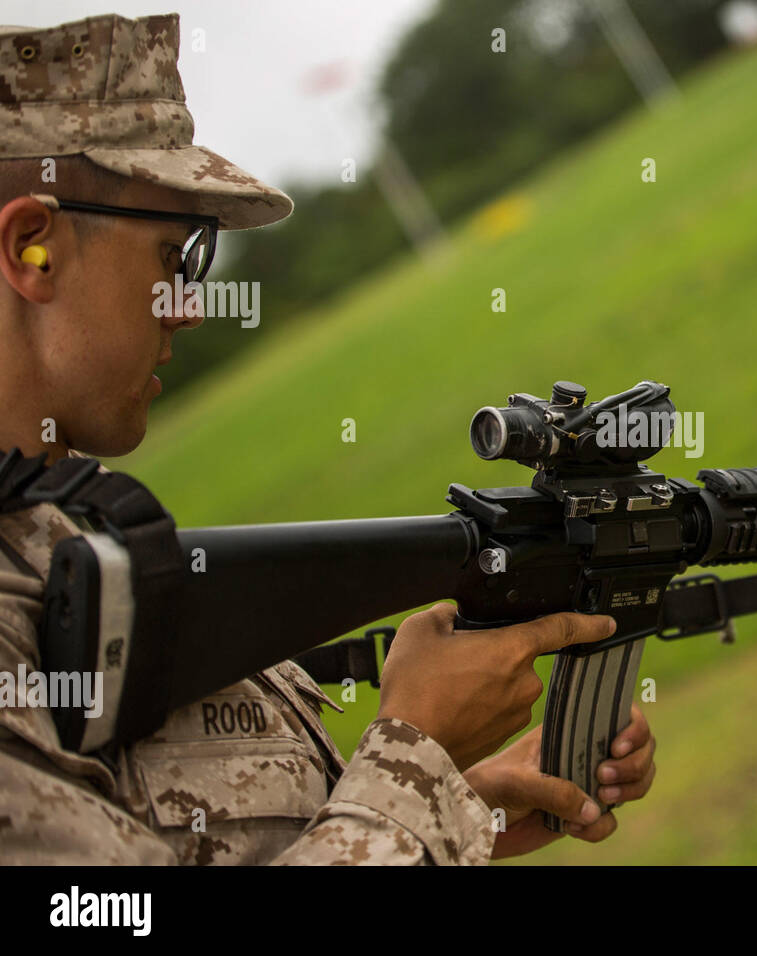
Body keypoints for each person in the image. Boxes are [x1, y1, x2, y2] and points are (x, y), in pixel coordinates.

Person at [0, 12, 655, 865]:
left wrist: (459, 809)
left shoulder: (60, 524)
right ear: (32, 249)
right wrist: (412, 755)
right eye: (175, 255)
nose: (192, 305)